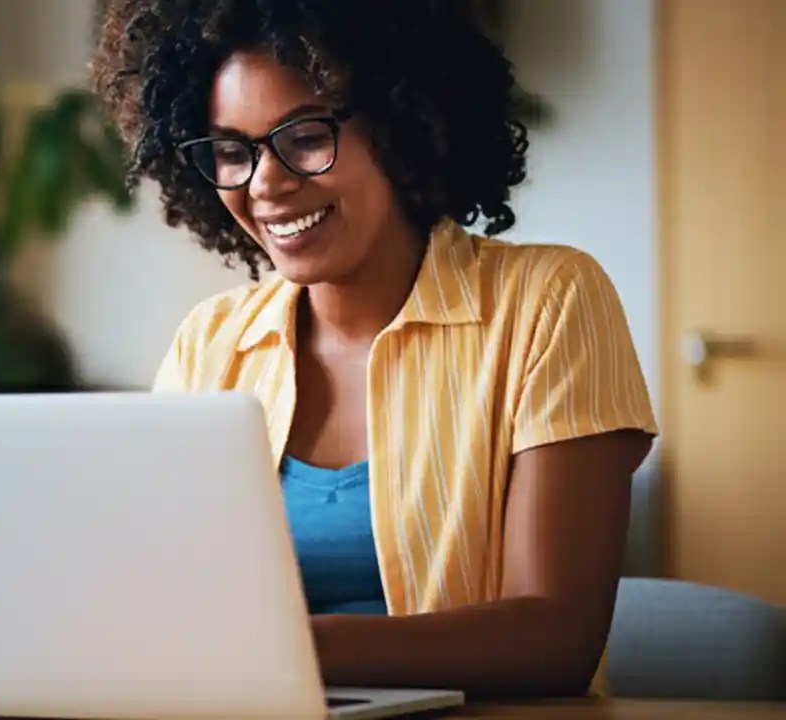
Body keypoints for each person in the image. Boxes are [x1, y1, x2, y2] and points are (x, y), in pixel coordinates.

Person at [91, 0, 657, 699]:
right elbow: (161, 603)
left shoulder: (546, 302)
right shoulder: (209, 344)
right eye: (233, 152)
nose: (266, 183)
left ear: (402, 125)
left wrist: (285, 646)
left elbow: (555, 638)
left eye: (302, 137)